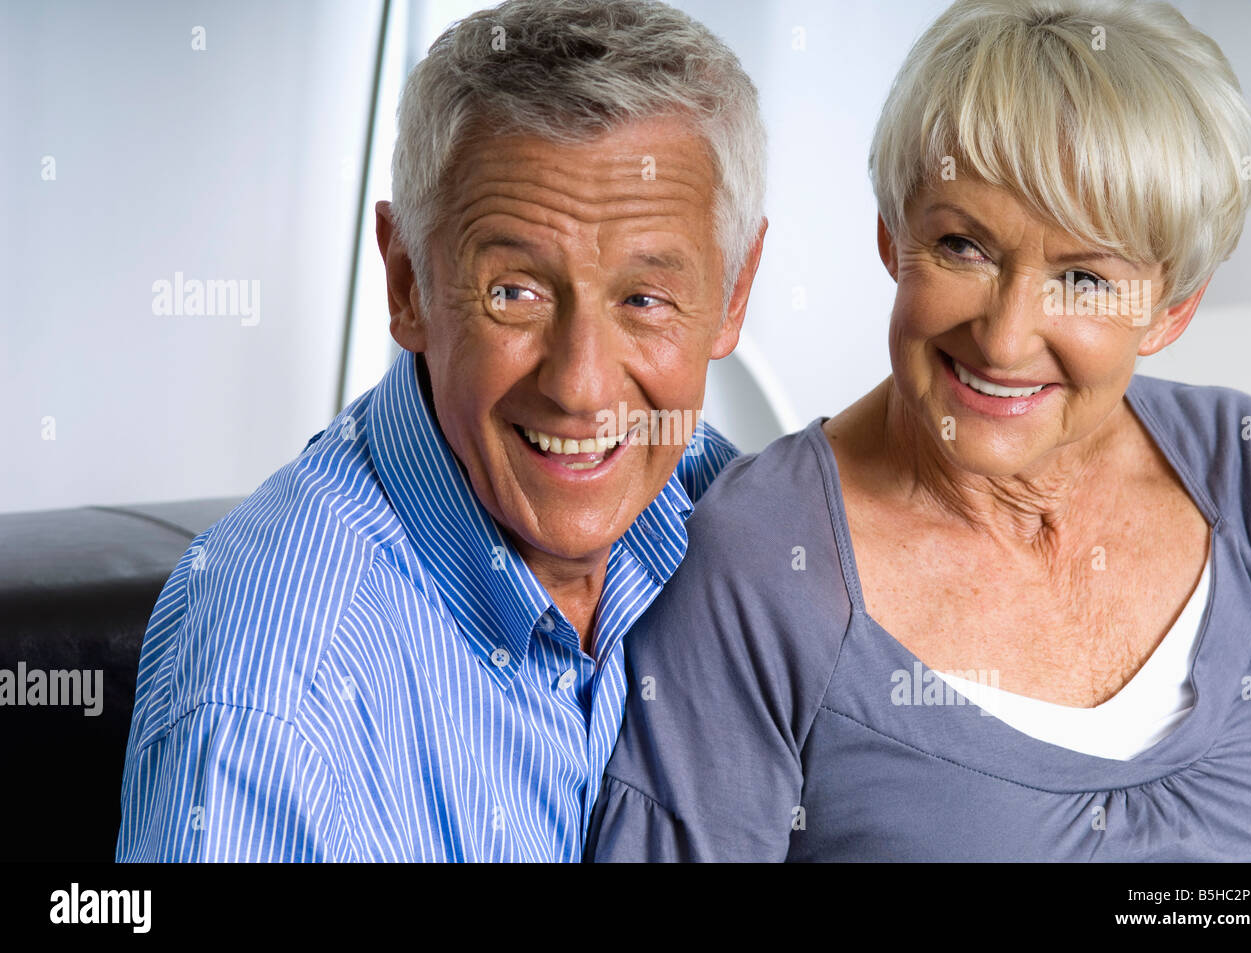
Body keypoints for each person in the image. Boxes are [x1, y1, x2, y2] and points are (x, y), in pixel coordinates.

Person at [586, 0, 1251, 861]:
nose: (1002, 340)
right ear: (892, 235)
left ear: (1171, 307)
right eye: (964, 247)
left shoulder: (1248, 465)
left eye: (1082, 277)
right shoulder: (755, 566)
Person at [116, 0, 766, 861]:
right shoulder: (272, 680)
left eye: (644, 300)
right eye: (515, 292)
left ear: (732, 295)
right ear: (406, 283)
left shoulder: (739, 519)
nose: (579, 386)